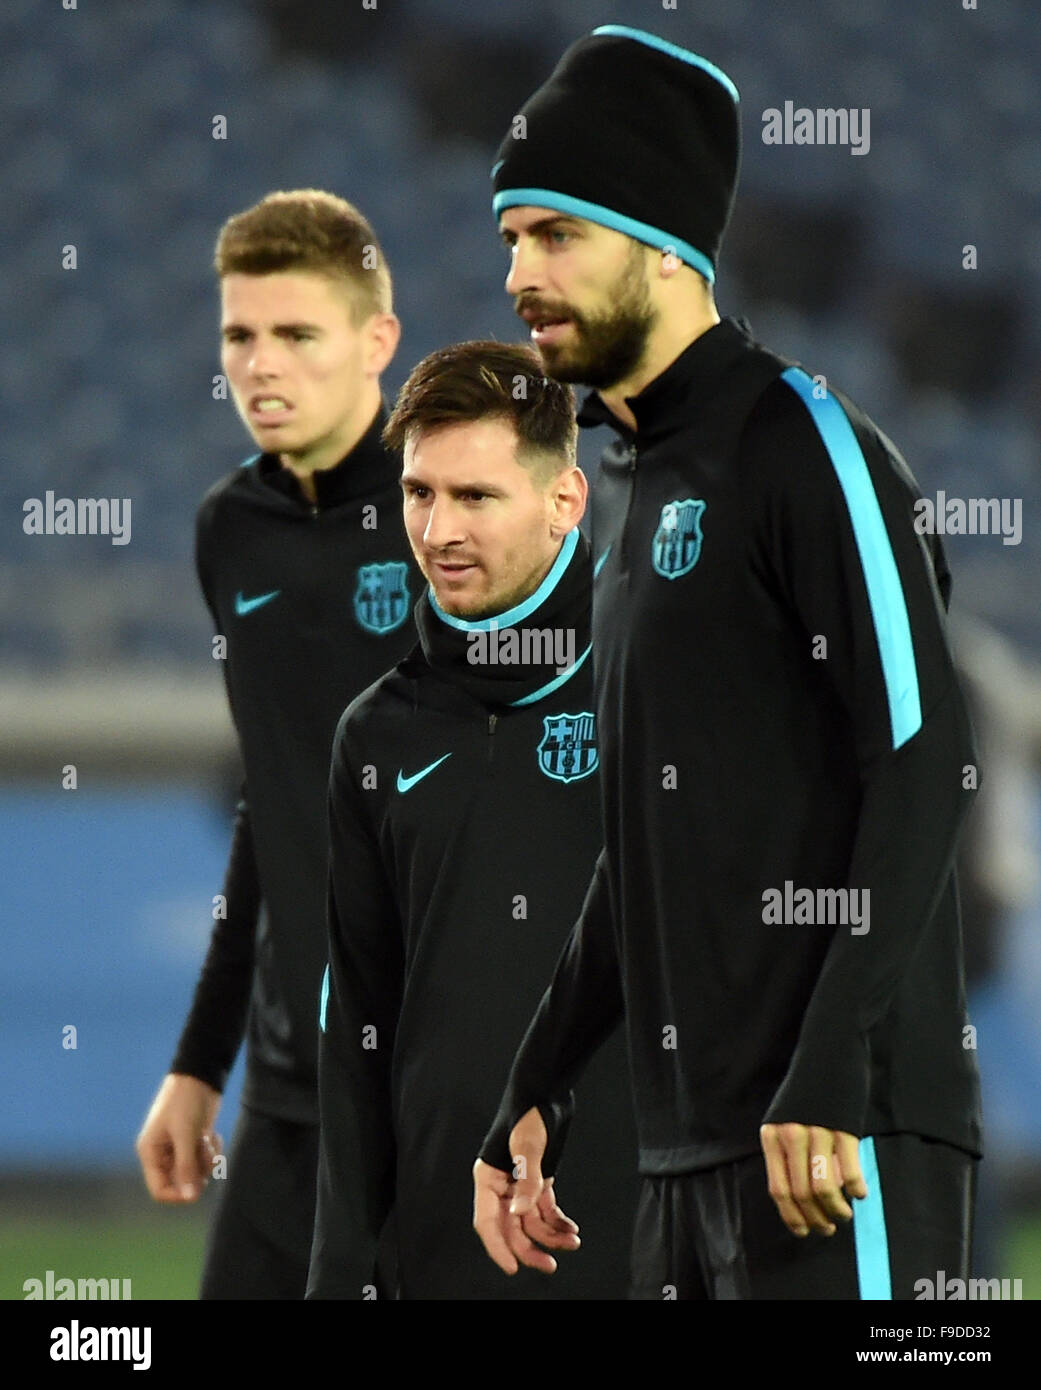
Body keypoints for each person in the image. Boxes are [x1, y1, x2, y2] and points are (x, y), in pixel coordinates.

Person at [472, 25, 983, 1300]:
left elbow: (926, 757)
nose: (521, 275)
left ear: (663, 241)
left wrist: (830, 1072)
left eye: (556, 235)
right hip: (686, 1159)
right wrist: (538, 1073)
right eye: (511, 242)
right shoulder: (634, 494)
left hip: (835, 1148)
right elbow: (644, 841)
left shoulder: (802, 442)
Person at [307, 341, 637, 1299]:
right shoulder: (374, 734)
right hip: (444, 1246)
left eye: (476, 497)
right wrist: (343, 1267)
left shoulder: (657, 685)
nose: (438, 529)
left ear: (565, 500)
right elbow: (357, 1022)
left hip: (643, 1240)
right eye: (419, 494)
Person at [135, 189, 420, 1299]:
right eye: (240, 335)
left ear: (376, 342)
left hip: (431, 1088)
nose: (262, 364)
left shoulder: (447, 511)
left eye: (298, 333)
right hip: (289, 1090)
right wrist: (200, 1062)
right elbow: (275, 802)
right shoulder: (229, 532)